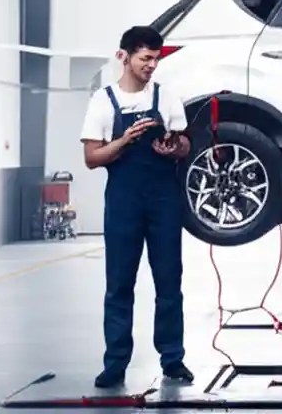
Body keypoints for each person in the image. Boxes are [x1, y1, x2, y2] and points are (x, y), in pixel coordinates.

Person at [80, 25, 194, 387]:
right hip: (124, 201)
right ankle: (115, 363)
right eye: (145, 58)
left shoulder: (166, 97)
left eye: (155, 60)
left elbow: (185, 146)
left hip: (163, 199)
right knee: (119, 284)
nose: (151, 66)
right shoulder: (103, 101)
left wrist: (172, 149)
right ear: (124, 57)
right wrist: (124, 141)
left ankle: (173, 359)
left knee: (169, 281)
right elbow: (92, 158)